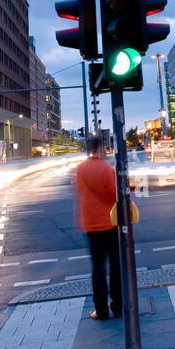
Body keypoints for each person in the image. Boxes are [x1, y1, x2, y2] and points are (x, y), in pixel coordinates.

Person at [75, 134, 121, 320]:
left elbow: (80, 191)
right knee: (116, 266)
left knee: (97, 268)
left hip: (91, 225)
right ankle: (118, 305)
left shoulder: (81, 169)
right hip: (110, 223)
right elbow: (115, 194)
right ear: (101, 149)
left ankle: (100, 310)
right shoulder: (107, 170)